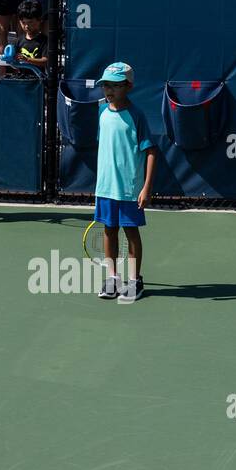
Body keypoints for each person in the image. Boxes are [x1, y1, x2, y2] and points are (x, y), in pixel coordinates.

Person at [94, 62, 155, 303]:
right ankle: (112, 279)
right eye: (106, 85)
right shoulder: (101, 111)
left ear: (128, 87)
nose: (109, 90)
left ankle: (134, 280)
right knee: (109, 231)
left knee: (131, 232)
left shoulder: (136, 115)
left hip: (130, 189)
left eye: (115, 85)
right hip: (106, 188)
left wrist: (146, 187)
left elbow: (151, 152)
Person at [7, 0, 46, 77]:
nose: (27, 26)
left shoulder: (44, 40)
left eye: (30, 22)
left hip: (38, 80)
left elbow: (45, 61)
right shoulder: (18, 41)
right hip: (22, 80)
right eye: (23, 22)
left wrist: (27, 60)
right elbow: (13, 64)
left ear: (39, 20)